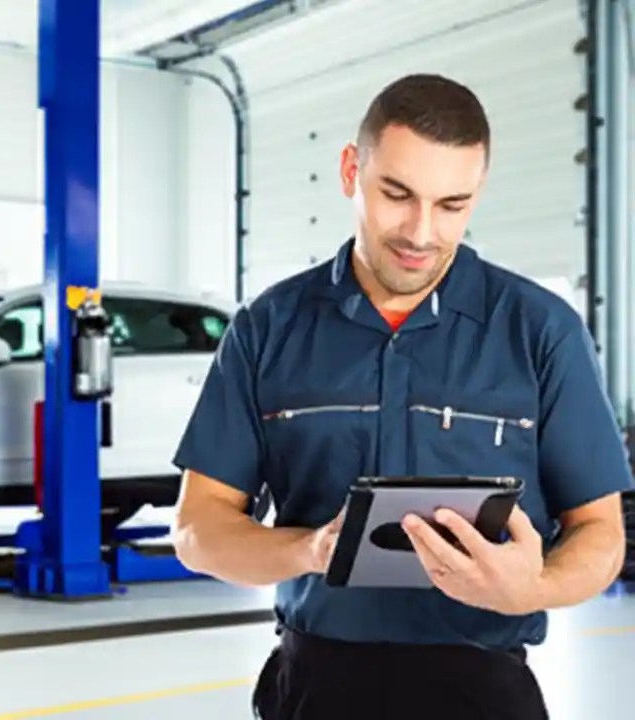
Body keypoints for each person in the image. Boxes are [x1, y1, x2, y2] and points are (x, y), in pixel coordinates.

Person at [171, 73, 632, 720]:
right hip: (316, 687)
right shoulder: (267, 328)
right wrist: (310, 549)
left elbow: (601, 533)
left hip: (484, 690)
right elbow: (197, 529)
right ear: (351, 170)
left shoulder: (542, 331)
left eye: (452, 205)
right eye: (396, 194)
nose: (421, 231)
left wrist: (536, 585)